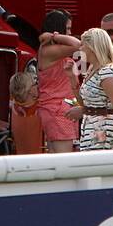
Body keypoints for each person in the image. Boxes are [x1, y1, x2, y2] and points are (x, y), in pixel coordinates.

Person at [70, 29, 113, 151]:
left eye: (83, 45)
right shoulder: (92, 69)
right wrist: (72, 78)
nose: (80, 49)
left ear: (92, 47)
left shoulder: (108, 71)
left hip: (105, 130)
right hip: (90, 128)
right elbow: (85, 103)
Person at [36, 9, 81, 152]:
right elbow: (77, 44)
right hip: (57, 109)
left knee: (56, 158)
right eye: (67, 29)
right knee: (64, 161)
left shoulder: (50, 50)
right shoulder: (50, 50)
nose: (69, 33)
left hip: (59, 109)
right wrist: (55, 36)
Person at [8, 71, 43, 156]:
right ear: (30, 91)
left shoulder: (13, 106)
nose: (37, 86)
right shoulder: (40, 107)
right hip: (39, 158)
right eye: (35, 83)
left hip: (20, 158)